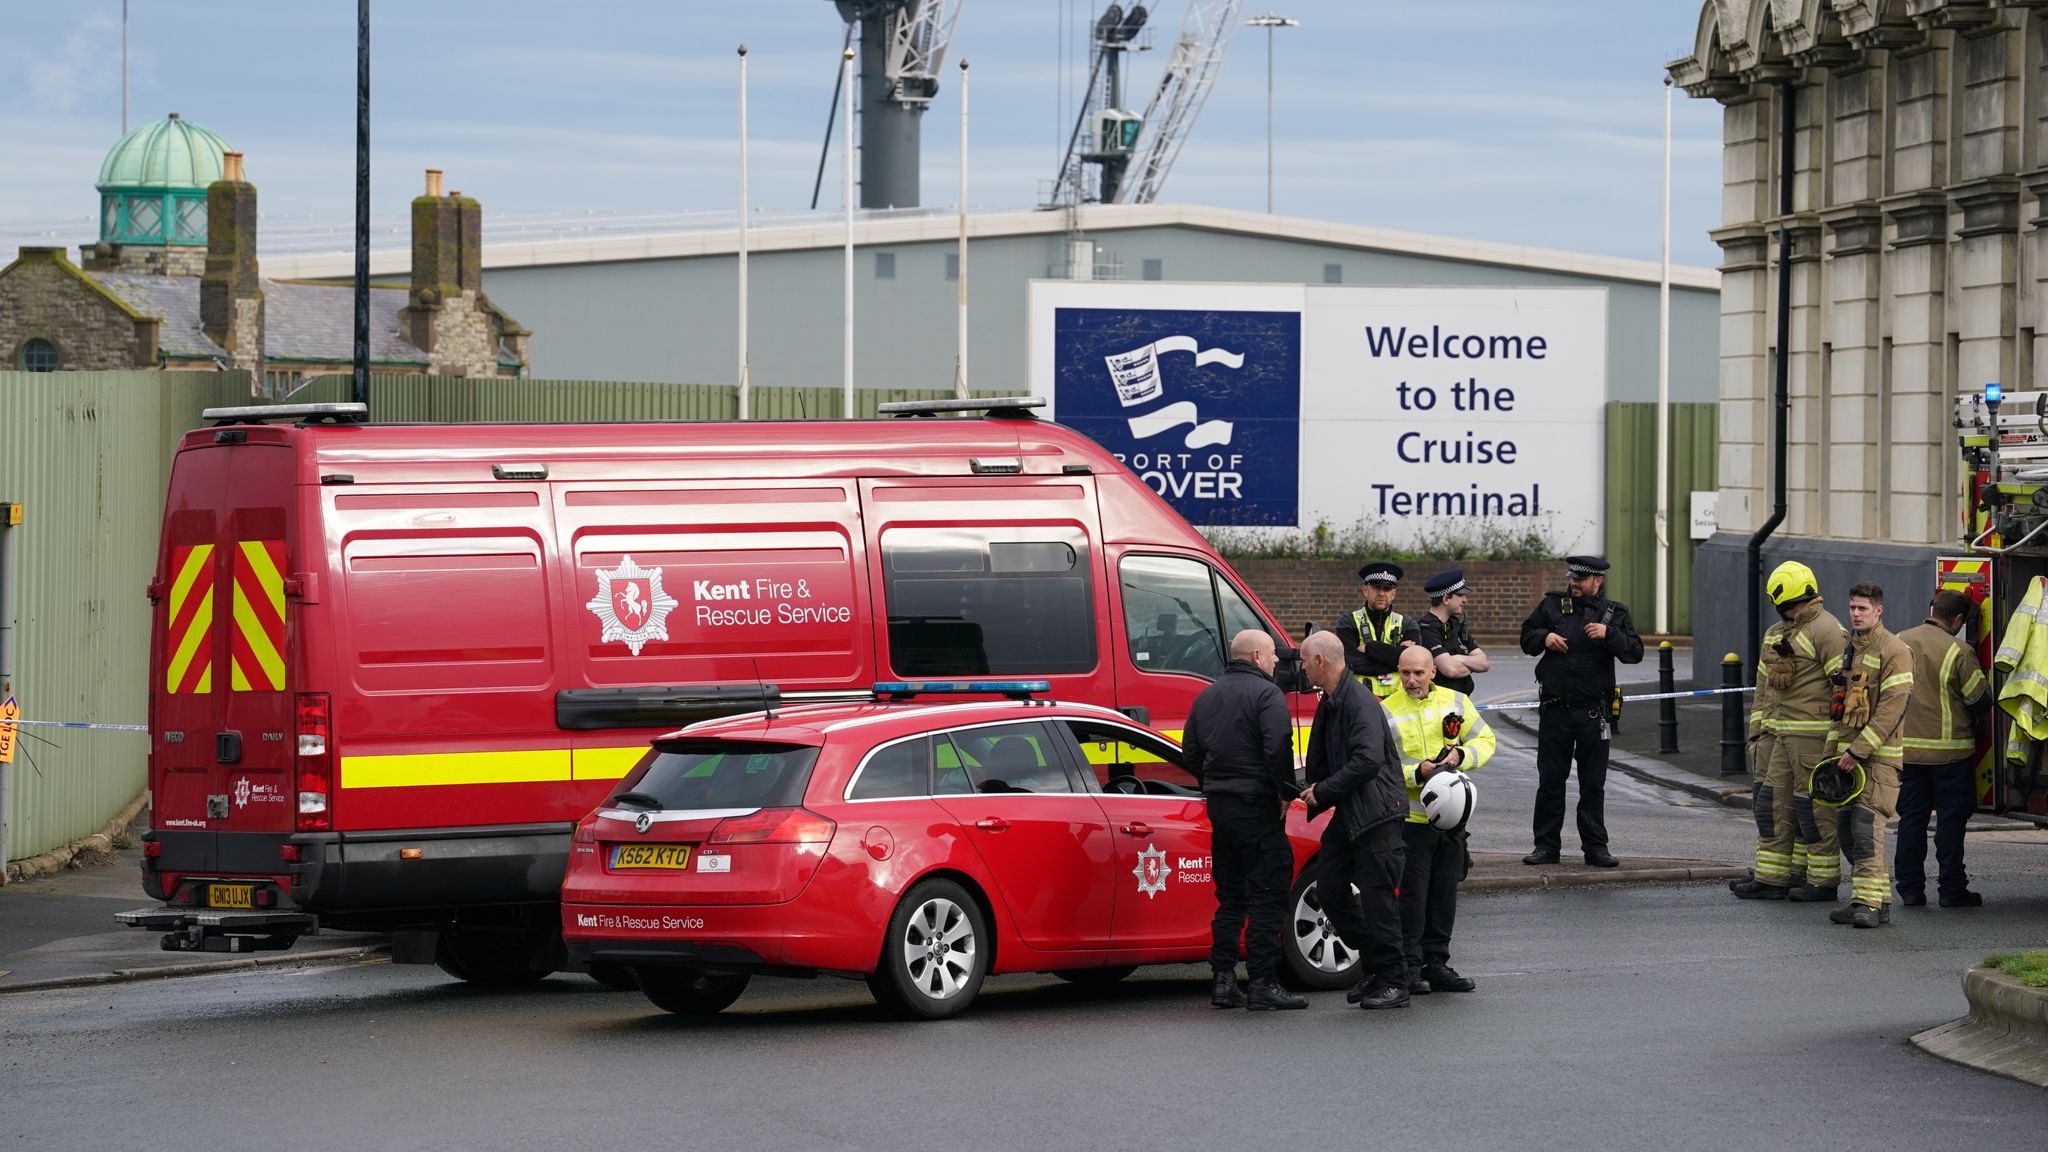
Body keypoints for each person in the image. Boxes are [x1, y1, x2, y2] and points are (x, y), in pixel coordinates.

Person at [1181, 629, 1309, 1011]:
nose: (1275, 663)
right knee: (1269, 892)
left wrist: (1213, 784)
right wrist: (1285, 792)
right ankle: (1263, 982)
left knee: (1231, 897)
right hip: (1256, 806)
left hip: (1220, 807)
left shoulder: (1206, 696)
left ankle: (1223, 981)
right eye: (1272, 656)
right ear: (1256, 655)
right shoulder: (1267, 694)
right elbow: (1277, 747)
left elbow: (1190, 752)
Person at [1298, 631, 1411, 1009]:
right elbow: (1327, 760)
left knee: (1379, 900)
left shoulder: (1358, 702)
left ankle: (1394, 981)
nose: (1300, 667)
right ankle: (1378, 967)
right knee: (1329, 889)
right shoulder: (1331, 700)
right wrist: (1301, 789)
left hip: (1377, 814)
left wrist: (1324, 791)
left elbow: (1367, 761)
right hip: (1351, 813)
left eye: (1303, 660)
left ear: (1320, 661)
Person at [1731, 560, 1847, 901]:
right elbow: (1763, 689)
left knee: (1814, 812)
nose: (1786, 612)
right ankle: (1771, 879)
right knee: (1771, 807)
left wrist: (1838, 743)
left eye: (1790, 606)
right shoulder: (1777, 633)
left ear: (1805, 599)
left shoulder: (1827, 630)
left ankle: (1822, 882)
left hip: (1814, 741)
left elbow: (1846, 690)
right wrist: (1756, 734)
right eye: (1782, 607)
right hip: (1777, 737)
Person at [1518, 555, 1643, 868]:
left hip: (1592, 713)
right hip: (1555, 710)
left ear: (1597, 582)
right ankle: (1546, 847)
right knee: (1550, 781)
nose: (1573, 583)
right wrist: (1543, 637)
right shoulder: (1551, 606)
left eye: (1581, 579)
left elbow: (1635, 653)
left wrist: (1609, 634)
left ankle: (1595, 848)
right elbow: (1526, 637)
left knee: (1592, 784)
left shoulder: (1614, 614)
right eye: (1572, 578)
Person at [1383, 645, 1494, 995]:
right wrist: (1417, 772)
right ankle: (1411, 967)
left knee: (1444, 892)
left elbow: (1487, 740)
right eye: (1405, 673)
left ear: (1433, 671)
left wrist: (1462, 754)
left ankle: (1438, 963)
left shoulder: (1456, 701)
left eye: (1418, 673)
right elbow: (1382, 768)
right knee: (1413, 896)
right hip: (1412, 819)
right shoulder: (1386, 710)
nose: (1411, 680)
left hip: (1451, 819)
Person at [1823, 581, 1914, 929]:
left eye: (1863, 609)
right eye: (1852, 608)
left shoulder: (1894, 650)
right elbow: (1840, 710)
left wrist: (1858, 751)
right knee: (1848, 832)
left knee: (1865, 829)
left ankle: (1868, 904)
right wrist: (1832, 756)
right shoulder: (1852, 649)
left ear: (1879, 610)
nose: (1856, 614)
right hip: (1847, 760)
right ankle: (1875, 899)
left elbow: (1893, 707)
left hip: (1878, 761)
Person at [1894, 588, 1990, 909]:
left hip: (1907, 752)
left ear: (1931, 607)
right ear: (1959, 619)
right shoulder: (1959, 651)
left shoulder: (1898, 641)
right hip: (1951, 754)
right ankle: (1951, 889)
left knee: (1911, 820)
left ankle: (1909, 889)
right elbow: (1979, 700)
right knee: (1951, 822)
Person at [1334, 561, 1412, 698]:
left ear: (1394, 593)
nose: (1381, 593)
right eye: (1376, 587)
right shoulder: (1348, 621)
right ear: (1365, 590)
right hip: (1359, 698)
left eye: (1387, 589)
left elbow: (1413, 661)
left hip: (1399, 700)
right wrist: (1396, 657)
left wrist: (1370, 647)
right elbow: (1350, 662)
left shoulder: (1407, 624)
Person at [1414, 568, 1490, 696]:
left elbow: (1484, 663)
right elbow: (1450, 669)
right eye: (1460, 595)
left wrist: (1458, 658)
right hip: (1440, 705)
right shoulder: (1426, 629)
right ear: (1446, 599)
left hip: (1462, 701)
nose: (1465, 600)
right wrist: (1471, 664)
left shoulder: (1456, 625)